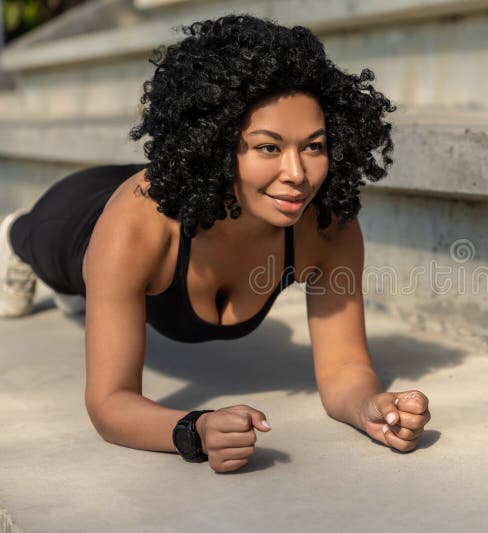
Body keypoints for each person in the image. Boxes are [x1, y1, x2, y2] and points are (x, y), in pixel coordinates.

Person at [0, 14, 431, 473]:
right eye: (268, 147)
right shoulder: (136, 227)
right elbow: (110, 402)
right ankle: (14, 239)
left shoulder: (327, 225)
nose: (298, 174)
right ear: (218, 145)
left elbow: (344, 367)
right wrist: (194, 429)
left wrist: (369, 406)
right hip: (74, 218)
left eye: (314, 146)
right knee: (51, 257)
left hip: (158, 217)